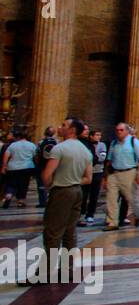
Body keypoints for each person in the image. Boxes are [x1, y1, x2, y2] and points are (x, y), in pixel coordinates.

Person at [32, 118, 92, 284]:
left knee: (53, 233)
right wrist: (73, 181)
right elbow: (88, 178)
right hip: (77, 192)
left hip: (62, 191)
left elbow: (46, 174)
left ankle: (43, 274)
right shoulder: (85, 150)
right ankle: (68, 270)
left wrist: (52, 186)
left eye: (64, 125)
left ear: (72, 130)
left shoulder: (60, 148)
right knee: (69, 233)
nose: (60, 127)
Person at [103, 122, 139, 230]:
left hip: (129, 172)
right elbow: (109, 160)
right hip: (114, 173)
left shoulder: (133, 141)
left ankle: (138, 214)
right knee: (111, 198)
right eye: (117, 130)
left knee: (130, 197)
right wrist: (105, 177)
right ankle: (113, 222)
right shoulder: (114, 143)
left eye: (121, 130)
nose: (119, 132)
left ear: (127, 131)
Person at [1, 127, 37, 208]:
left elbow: (6, 156)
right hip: (27, 167)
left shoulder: (12, 145)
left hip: (12, 168)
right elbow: (36, 157)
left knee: (11, 184)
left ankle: (9, 195)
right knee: (23, 184)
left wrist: (4, 166)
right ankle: (20, 201)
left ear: (18, 137)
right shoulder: (32, 145)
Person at [79, 127, 106, 226]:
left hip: (98, 172)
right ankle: (81, 214)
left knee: (94, 195)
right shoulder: (87, 144)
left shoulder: (102, 145)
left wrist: (93, 159)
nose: (99, 137)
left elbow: (102, 158)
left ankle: (90, 214)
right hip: (86, 172)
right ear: (91, 136)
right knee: (84, 194)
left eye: (100, 135)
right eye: (97, 135)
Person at [35, 126, 57, 207]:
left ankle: (42, 202)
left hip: (42, 166)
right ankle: (52, 200)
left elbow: (37, 155)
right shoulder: (57, 142)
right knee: (53, 184)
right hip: (54, 166)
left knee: (41, 184)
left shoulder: (41, 142)